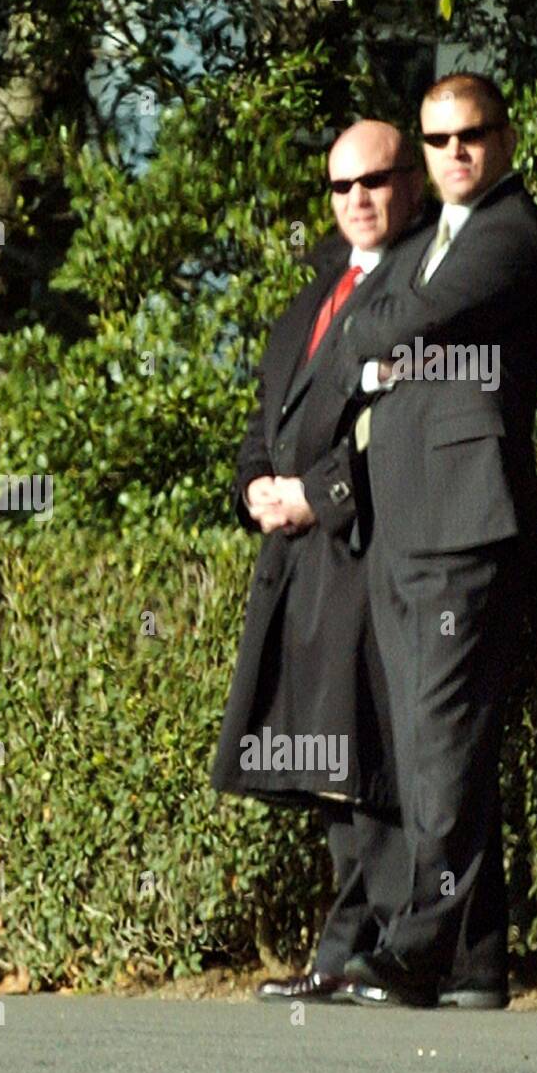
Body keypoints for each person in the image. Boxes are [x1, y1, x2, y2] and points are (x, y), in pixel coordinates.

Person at [333, 73, 537, 1008]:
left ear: (504, 139)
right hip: (411, 518)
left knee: (445, 747)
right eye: (438, 139)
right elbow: (359, 327)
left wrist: (384, 339)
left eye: (472, 133)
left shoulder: (510, 233)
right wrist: (378, 337)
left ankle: (422, 945)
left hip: (466, 521)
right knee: (433, 741)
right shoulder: (432, 239)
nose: (457, 150)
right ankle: (478, 963)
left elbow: (399, 324)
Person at [213, 120, 427, 1001]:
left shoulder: (426, 286)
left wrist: (322, 494)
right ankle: (345, 952)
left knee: (367, 763)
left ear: (410, 182)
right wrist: (258, 485)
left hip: (368, 547)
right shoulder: (317, 291)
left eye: (375, 180)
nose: (358, 200)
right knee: (329, 765)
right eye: (341, 186)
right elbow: (268, 420)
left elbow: (410, 429)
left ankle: (373, 950)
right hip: (302, 561)